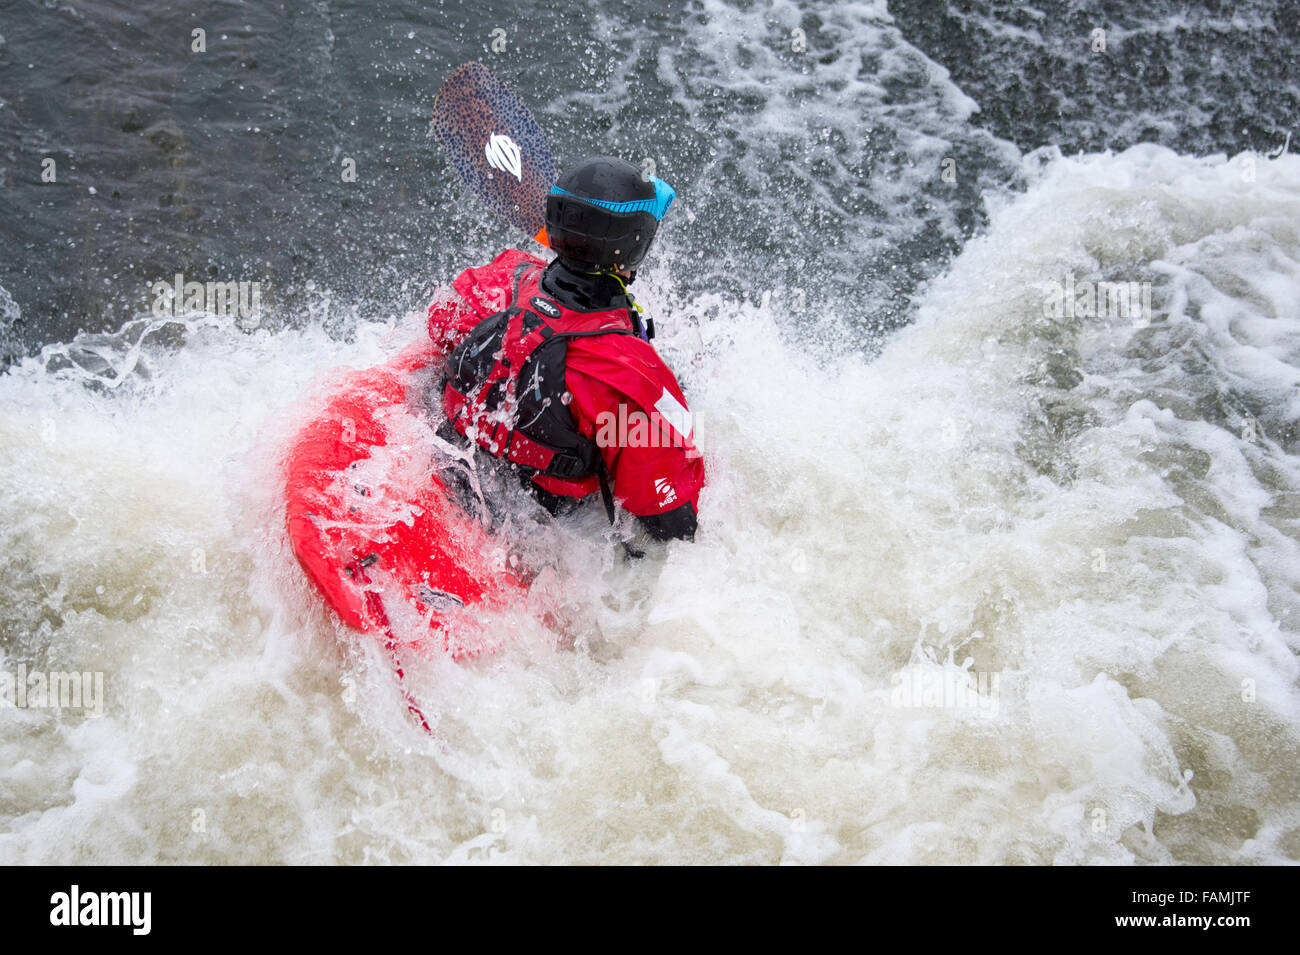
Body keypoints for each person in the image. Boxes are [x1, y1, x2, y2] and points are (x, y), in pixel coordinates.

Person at [422, 155, 704, 542]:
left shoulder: (508, 274)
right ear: (634, 246)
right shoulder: (629, 378)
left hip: (449, 465)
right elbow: (670, 520)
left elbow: (440, 319)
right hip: (539, 532)